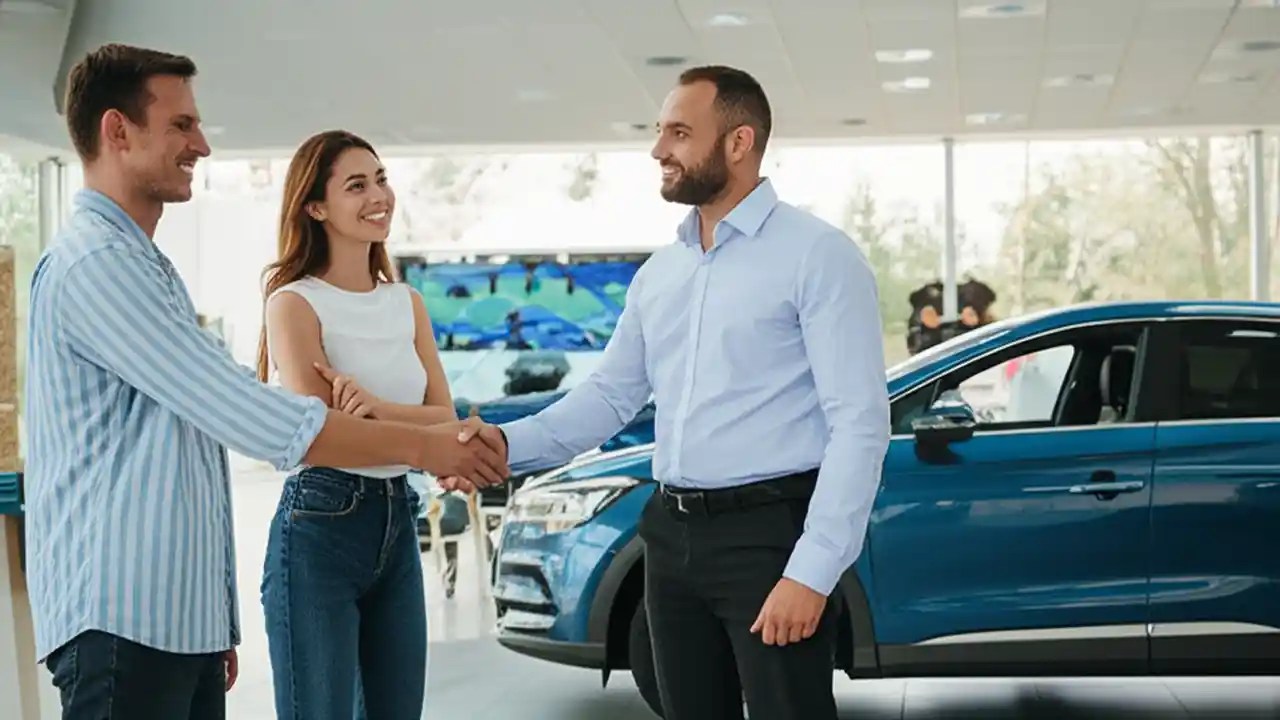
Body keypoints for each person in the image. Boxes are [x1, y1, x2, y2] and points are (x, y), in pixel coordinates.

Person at [23, 44, 506, 720]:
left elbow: (187, 447)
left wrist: (212, 622)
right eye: (183, 125)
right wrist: (428, 447)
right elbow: (250, 413)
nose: (204, 144)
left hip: (170, 624)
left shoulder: (145, 266)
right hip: (122, 625)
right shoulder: (99, 265)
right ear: (117, 131)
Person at [459, 66, 890, 719]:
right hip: (670, 538)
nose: (659, 150)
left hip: (769, 540)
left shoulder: (818, 256)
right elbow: (609, 396)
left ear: (739, 142)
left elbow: (860, 423)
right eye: (660, 132)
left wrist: (813, 570)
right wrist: (502, 446)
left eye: (680, 133)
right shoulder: (661, 274)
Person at [257, 129, 458, 719]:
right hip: (320, 526)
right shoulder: (293, 302)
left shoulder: (406, 302)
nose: (379, 195)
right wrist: (411, 430)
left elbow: (446, 417)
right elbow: (315, 436)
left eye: (381, 179)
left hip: (398, 518)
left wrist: (374, 407)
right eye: (357, 185)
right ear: (316, 207)